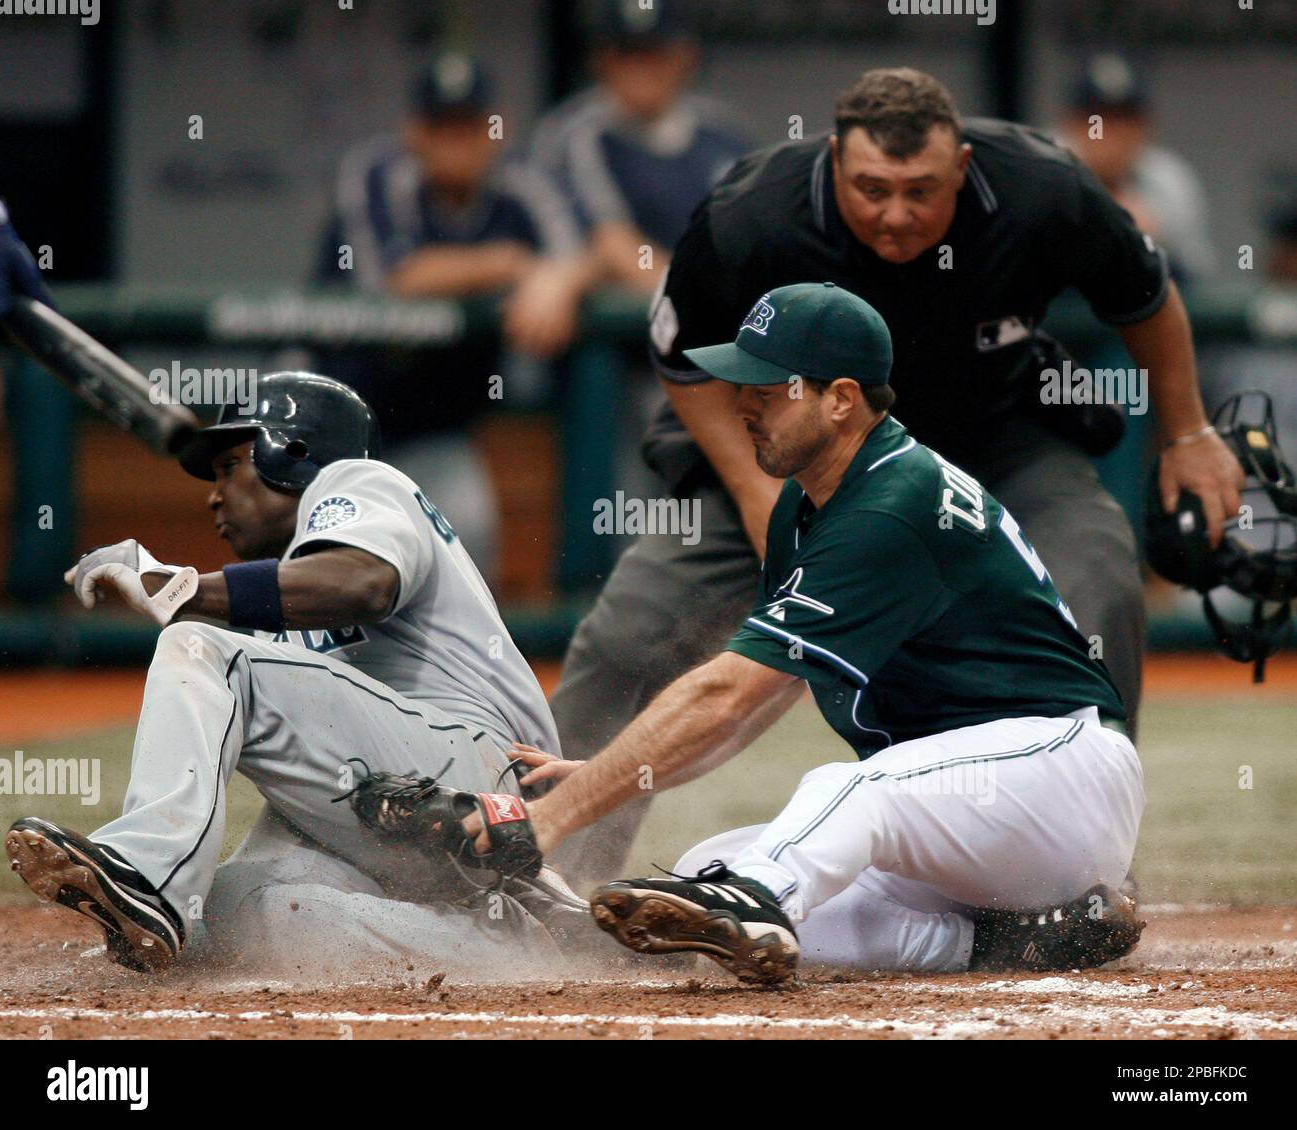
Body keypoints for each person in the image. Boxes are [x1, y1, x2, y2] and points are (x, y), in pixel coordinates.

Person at [547, 66, 1243, 882]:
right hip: (800, 455)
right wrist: (751, 487)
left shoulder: (1043, 187)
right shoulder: (752, 211)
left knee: (1100, 579)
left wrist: (1191, 431)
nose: (896, 214)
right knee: (632, 626)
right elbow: (682, 360)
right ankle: (544, 869)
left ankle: (1087, 883)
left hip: (993, 443)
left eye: (921, 190)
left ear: (964, 167)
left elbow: (1148, 302)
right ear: (834, 161)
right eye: (872, 188)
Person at [496, 284, 1146, 983]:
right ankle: (1006, 944)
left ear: (840, 399)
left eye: (770, 388)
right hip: (961, 811)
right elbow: (768, 693)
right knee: (702, 867)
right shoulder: (812, 503)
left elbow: (728, 693)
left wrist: (558, 813)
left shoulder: (891, 505)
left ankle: (759, 901)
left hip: (1054, 778)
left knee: (844, 794)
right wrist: (609, 772)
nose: (743, 404)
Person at [3, 357, 583, 977]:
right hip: (398, 811)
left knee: (198, 647)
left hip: (475, 775)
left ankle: (147, 868)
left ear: (294, 451)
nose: (213, 494)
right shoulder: (280, 602)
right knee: (227, 923)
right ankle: (513, 949)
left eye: (231, 465)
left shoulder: (362, 484)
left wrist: (177, 589)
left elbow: (364, 584)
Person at [316, 52, 595, 580]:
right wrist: (514, 263)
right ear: (413, 131)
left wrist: (555, 279)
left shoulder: (521, 187)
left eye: (468, 126)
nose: (455, 142)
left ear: (496, 130)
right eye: (440, 126)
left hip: (430, 425)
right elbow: (399, 280)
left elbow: (581, 254)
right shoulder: (377, 173)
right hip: (330, 415)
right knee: (321, 566)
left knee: (467, 542)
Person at [530, 0, 748, 295]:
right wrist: (696, 296)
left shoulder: (723, 132)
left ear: (686, 56)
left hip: (708, 313)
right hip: (612, 325)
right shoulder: (577, 134)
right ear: (600, 59)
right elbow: (610, 243)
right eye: (627, 53)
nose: (641, 68)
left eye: (655, 52)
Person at [1057, 53, 1218, 285]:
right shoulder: (1041, 170)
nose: (1111, 134)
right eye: (1098, 118)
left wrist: (1154, 246)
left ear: (1145, 126)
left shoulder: (1169, 180)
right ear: (1070, 123)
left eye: (1125, 118)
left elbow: (1194, 280)